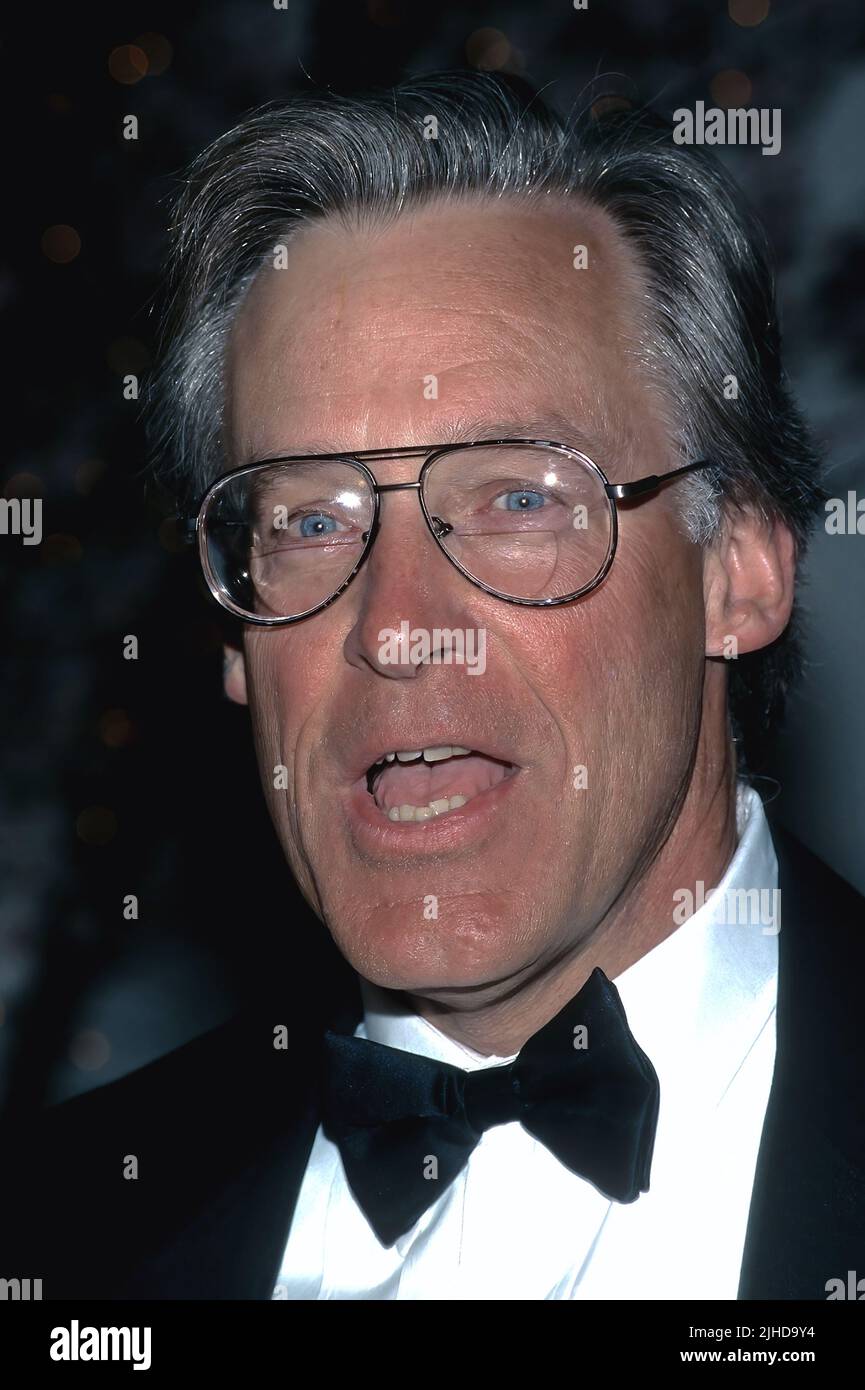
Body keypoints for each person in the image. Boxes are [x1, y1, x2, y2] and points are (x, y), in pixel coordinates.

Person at [3, 69, 863, 1301]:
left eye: (518, 497)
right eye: (308, 520)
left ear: (737, 572)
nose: (398, 628)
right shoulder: (54, 1227)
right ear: (238, 652)